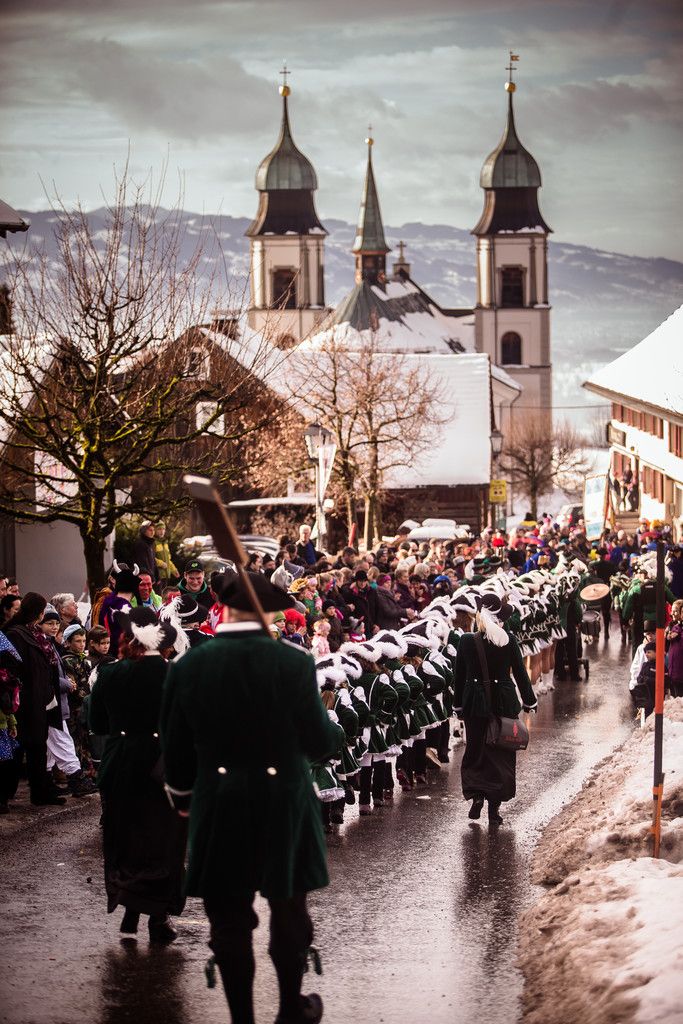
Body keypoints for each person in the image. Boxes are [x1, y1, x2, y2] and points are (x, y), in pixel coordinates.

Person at [161, 572, 339, 1024]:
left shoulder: (188, 666)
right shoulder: (294, 663)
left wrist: (183, 798)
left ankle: (242, 1018)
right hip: (284, 798)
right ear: (266, 612)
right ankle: (288, 1010)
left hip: (219, 799)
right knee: (288, 908)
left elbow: (176, 750)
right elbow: (319, 742)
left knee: (229, 917)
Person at [89, 606, 187, 942]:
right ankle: (156, 919)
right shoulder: (172, 673)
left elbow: (97, 724)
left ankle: (129, 910)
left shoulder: (109, 673)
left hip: (120, 764)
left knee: (126, 836)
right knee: (163, 841)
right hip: (161, 766)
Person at [454, 596, 537, 825]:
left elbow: (458, 677)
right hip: (503, 701)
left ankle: (476, 797)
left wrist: (458, 705)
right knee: (501, 752)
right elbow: (520, 673)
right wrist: (529, 701)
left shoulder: (466, 641)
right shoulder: (507, 640)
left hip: (474, 704)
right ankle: (494, 808)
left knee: (476, 748)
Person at [6, 593, 66, 806]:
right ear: (38, 613)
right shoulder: (16, 634)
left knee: (37, 747)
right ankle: (5, 794)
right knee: (16, 748)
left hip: (37, 701)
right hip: (22, 702)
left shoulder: (30, 633)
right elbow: (11, 668)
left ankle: (40, 792)